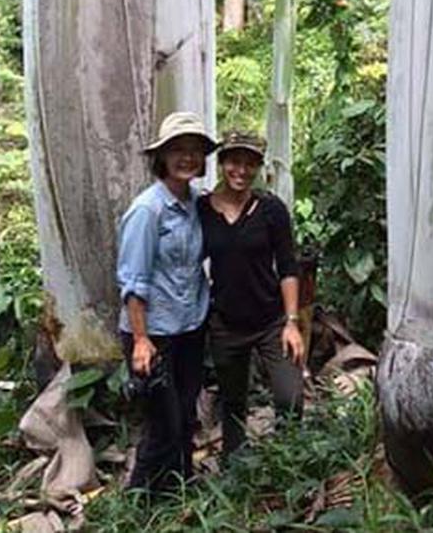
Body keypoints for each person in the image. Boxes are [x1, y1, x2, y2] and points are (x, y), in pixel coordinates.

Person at [116, 111, 218, 492]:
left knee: (185, 415)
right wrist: (141, 340)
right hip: (153, 334)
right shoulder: (147, 210)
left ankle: (178, 489)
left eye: (194, 150)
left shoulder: (196, 203)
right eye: (178, 150)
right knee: (163, 423)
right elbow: (133, 280)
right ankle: (136, 500)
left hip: (189, 328)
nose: (187, 157)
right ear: (162, 157)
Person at [197, 130, 304, 457]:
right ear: (222, 163)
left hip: (271, 321)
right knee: (232, 403)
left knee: (290, 397)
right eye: (233, 162)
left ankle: (289, 462)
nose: (240, 170)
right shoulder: (201, 209)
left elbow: (287, 266)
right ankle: (235, 472)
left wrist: (291, 322)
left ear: (258, 167)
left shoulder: (271, 209)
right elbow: (185, 260)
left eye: (249, 163)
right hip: (226, 324)